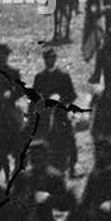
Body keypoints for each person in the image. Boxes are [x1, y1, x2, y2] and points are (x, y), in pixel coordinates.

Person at [32, 46, 78, 175]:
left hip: (60, 112)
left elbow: (72, 95)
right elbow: (35, 96)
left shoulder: (63, 76)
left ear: (55, 59)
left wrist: (60, 101)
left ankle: (73, 166)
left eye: (51, 58)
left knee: (70, 137)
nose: (49, 61)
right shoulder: (39, 77)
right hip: (44, 113)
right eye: (47, 58)